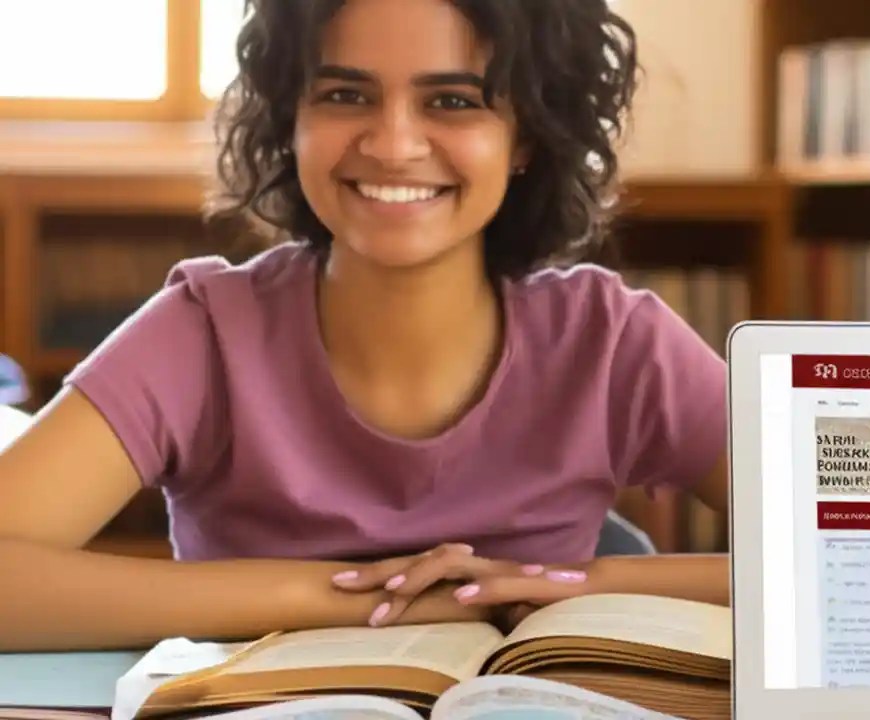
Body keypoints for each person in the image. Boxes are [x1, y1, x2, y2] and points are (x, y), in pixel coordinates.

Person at [0, 0, 728, 652]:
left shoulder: (613, 341)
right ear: (292, 118)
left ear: (528, 136)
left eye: (452, 100)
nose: (392, 144)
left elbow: (842, 560)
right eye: (346, 95)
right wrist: (353, 598)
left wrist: (572, 583)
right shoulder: (202, 334)